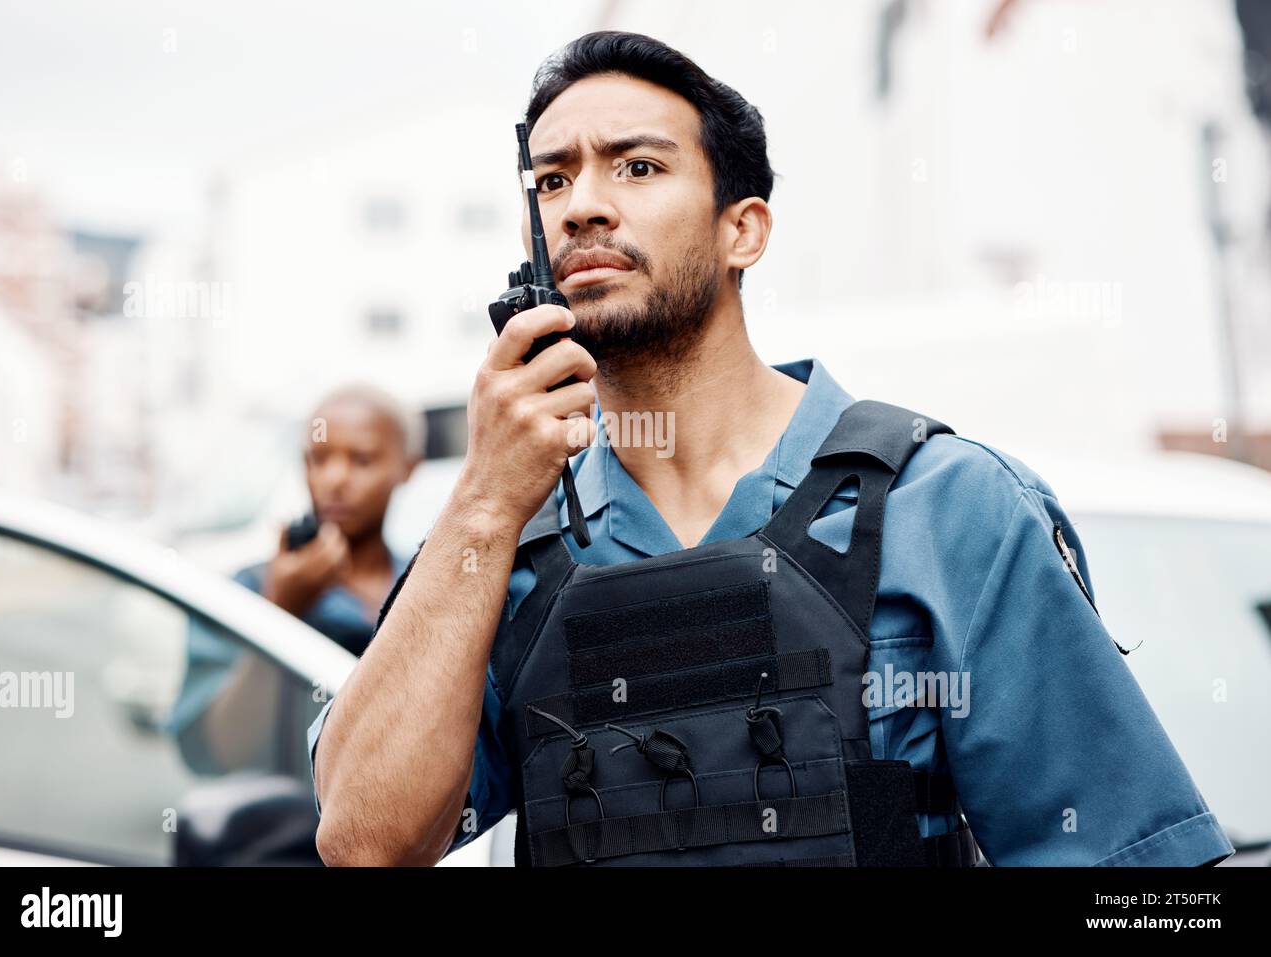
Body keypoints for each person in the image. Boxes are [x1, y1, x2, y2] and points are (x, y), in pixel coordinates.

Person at [308, 32, 1234, 867]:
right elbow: (361, 842)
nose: (583, 204)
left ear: (741, 228)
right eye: (550, 180)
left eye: (635, 167)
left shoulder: (946, 508)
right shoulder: (499, 544)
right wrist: (482, 500)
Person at [165, 384, 422, 774]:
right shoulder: (246, 592)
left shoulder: (426, 588)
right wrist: (281, 610)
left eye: (362, 460)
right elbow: (217, 751)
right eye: (318, 459)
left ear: (407, 468)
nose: (335, 478)